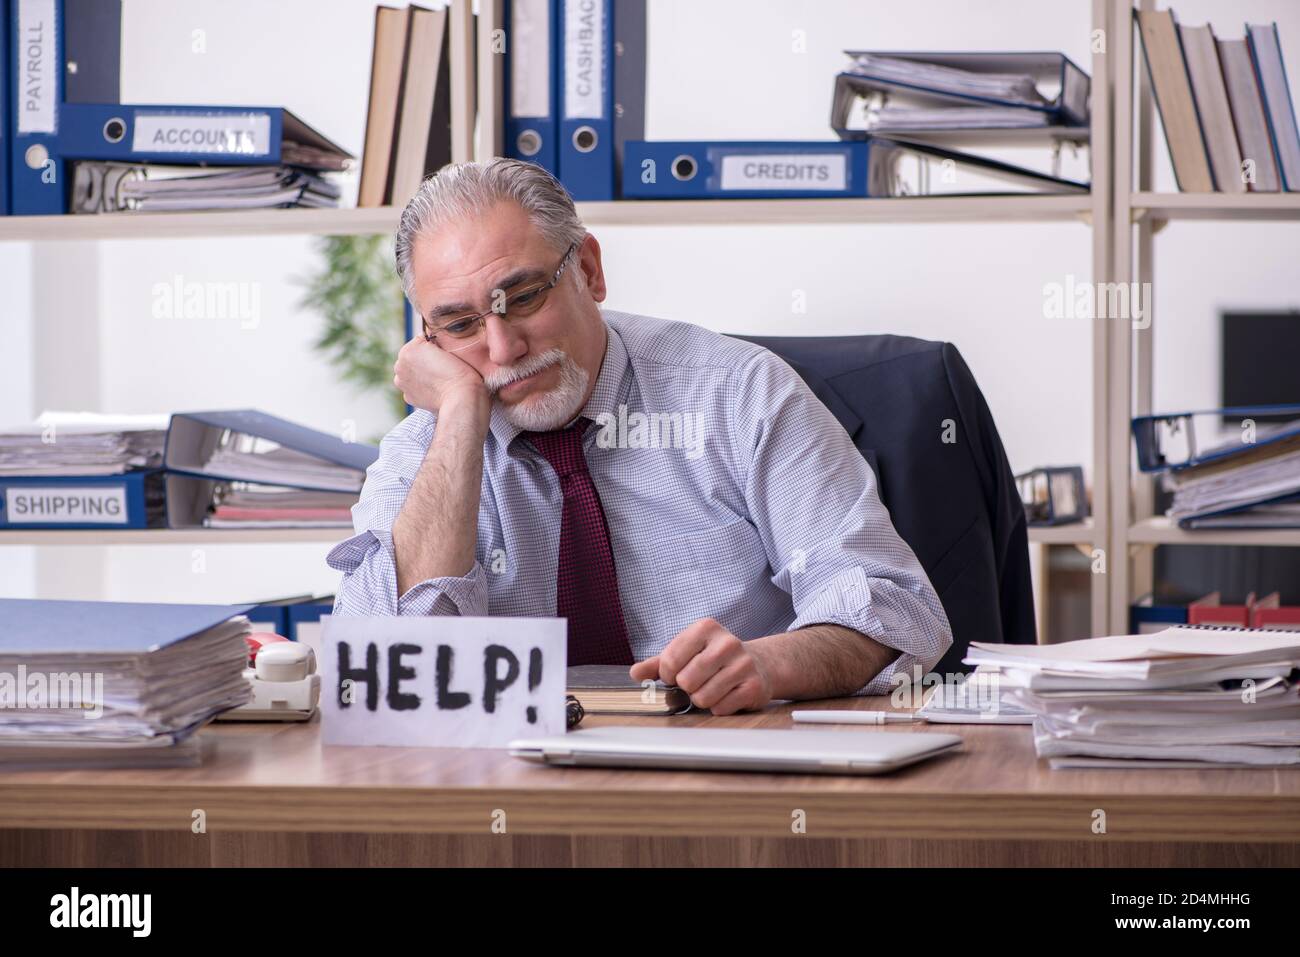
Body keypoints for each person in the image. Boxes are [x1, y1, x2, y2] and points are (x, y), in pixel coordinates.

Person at [327, 158, 951, 715]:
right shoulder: (427, 449)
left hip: (730, 779)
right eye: (460, 324)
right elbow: (384, 669)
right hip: (508, 793)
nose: (502, 349)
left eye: (521, 298)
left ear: (590, 271)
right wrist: (462, 412)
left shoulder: (738, 395)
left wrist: (768, 664)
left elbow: (899, 611)